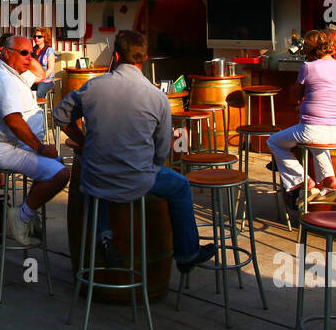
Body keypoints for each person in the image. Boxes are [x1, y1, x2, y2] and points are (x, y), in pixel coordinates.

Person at [54, 30, 216, 272]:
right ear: (145, 58)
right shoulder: (157, 97)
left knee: (95, 179)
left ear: (116, 55)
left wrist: (85, 143)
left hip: (97, 178)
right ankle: (187, 253)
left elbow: (59, 116)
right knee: (180, 185)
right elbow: (161, 153)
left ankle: (103, 237)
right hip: (136, 180)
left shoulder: (93, 87)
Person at [0, 34, 69, 245]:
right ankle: (22, 216)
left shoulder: (15, 73)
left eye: (31, 53)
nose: (29, 58)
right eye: (23, 53)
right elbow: (14, 122)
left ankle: (29, 212)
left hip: (18, 146)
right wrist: (40, 148)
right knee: (61, 174)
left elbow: (39, 73)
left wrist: (28, 53)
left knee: (57, 165)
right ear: (6, 53)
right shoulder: (2, 80)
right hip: (7, 149)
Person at [268, 30, 336, 210]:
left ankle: (304, 181)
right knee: (315, 142)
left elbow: (295, 95)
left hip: (313, 129)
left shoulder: (308, 67)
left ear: (308, 50)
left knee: (274, 142)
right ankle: (330, 180)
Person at [32, 27, 57, 98]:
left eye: (39, 37)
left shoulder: (49, 51)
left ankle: (40, 109)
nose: (36, 38)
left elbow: (50, 69)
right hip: (34, 79)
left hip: (46, 80)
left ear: (45, 38)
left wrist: (40, 78)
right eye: (35, 36)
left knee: (38, 93)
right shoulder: (32, 50)